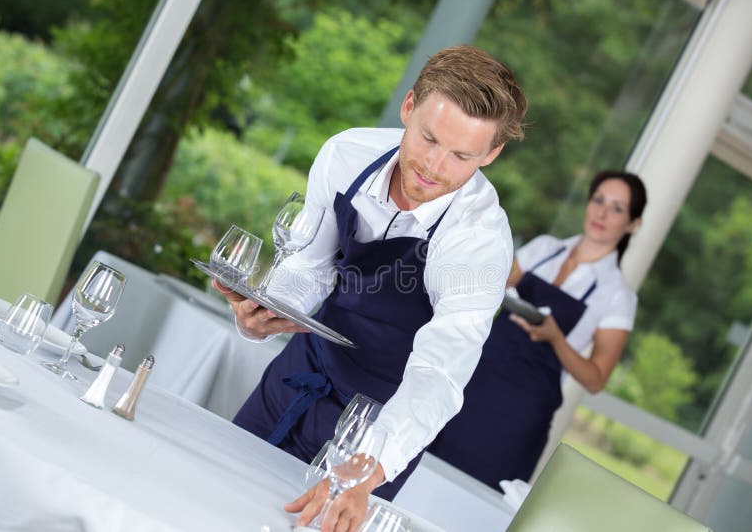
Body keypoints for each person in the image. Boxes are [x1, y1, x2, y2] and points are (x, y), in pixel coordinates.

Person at [213, 45, 527, 530]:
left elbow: (442, 371)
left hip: (376, 433)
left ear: (491, 154)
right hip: (298, 376)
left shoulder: (479, 240)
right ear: (408, 107)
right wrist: (271, 311)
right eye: (427, 138)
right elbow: (309, 265)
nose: (435, 167)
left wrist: (366, 467)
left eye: (462, 155)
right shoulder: (345, 154)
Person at [427, 170, 648, 488]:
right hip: (469, 381)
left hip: (517, 414)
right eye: (598, 200)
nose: (602, 212)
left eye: (616, 208)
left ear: (632, 224)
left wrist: (556, 339)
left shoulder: (617, 295)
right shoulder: (545, 248)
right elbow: (490, 288)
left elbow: (596, 379)